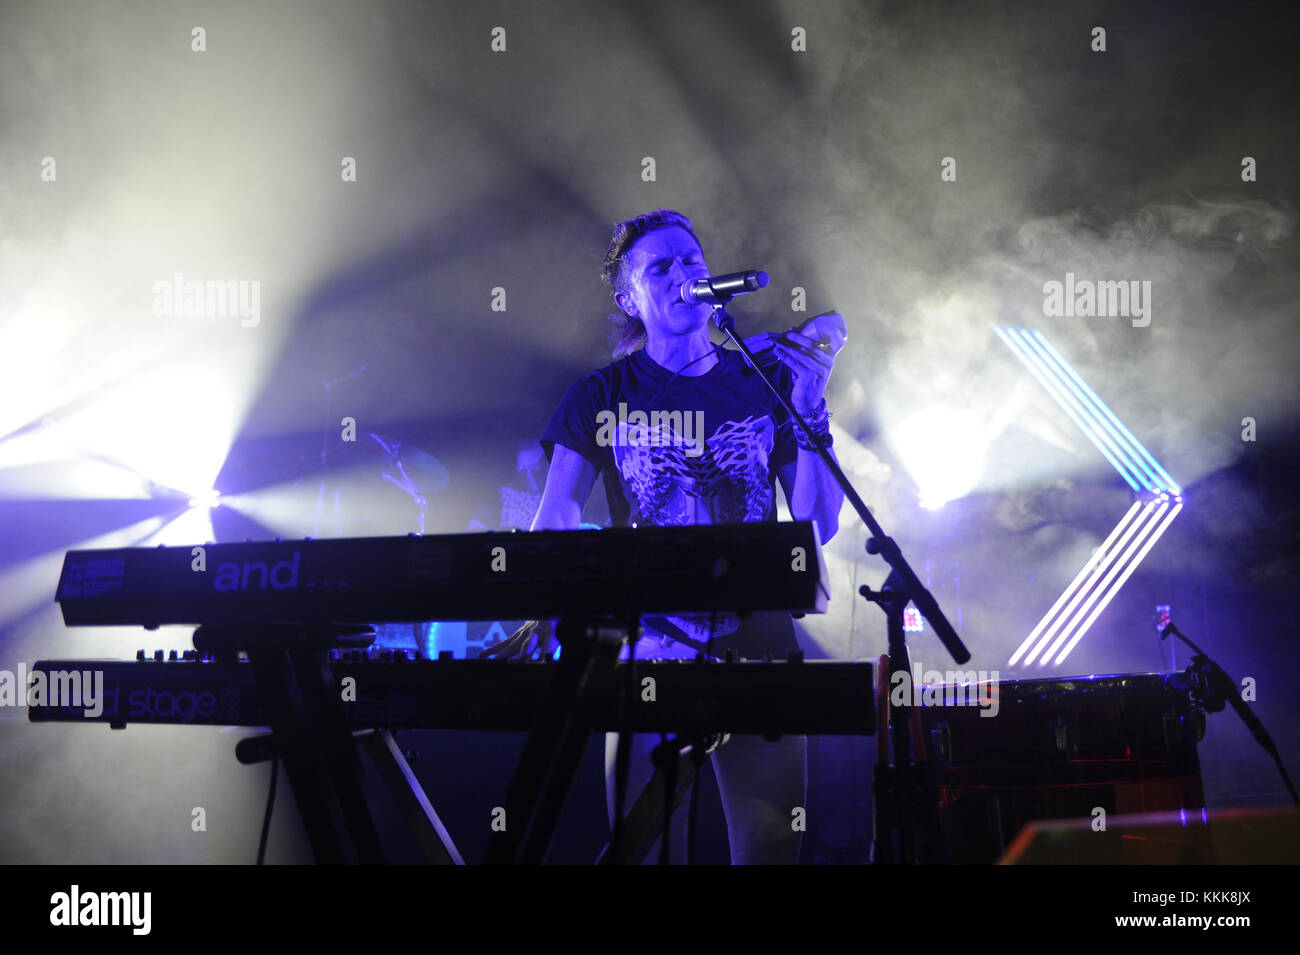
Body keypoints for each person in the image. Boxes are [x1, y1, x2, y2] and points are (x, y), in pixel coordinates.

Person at [489, 208, 846, 863]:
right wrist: (545, 601)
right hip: (646, 653)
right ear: (630, 297)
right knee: (635, 849)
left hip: (758, 649)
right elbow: (558, 514)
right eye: (662, 266)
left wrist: (813, 405)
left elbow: (816, 525)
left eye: (692, 260)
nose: (683, 274)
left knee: (770, 852)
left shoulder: (762, 383)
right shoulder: (599, 394)